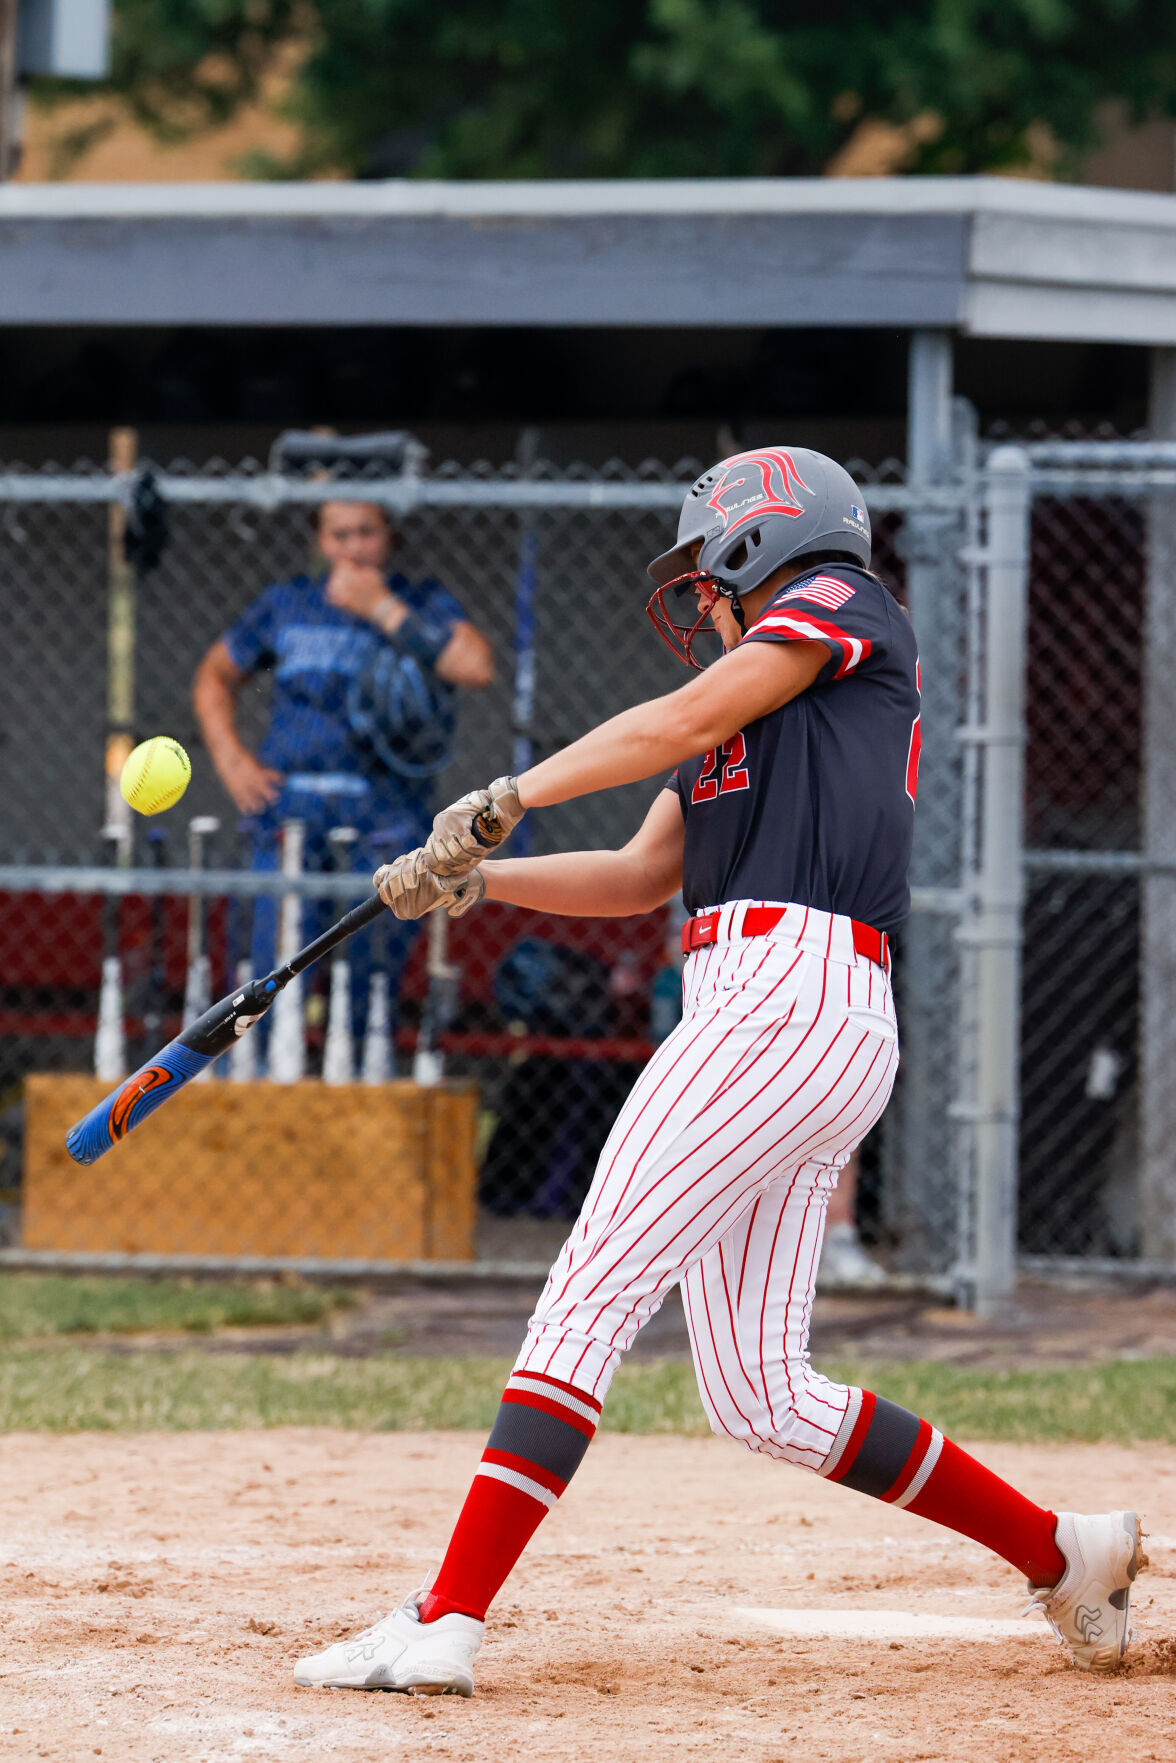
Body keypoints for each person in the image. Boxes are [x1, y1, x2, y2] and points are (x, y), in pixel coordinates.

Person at [294, 447, 1141, 1697]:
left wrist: (505, 795)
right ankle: (1066, 1552)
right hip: (795, 1013)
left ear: (766, 543)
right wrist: (476, 879)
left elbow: (670, 720)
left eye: (709, 572)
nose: (700, 599)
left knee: (587, 1293)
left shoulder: (844, 605)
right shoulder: (748, 708)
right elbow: (643, 874)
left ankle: (444, 1618)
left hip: (785, 1001)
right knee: (759, 1390)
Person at [193, 499, 494, 1044]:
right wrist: (232, 760)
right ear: (318, 541)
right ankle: (267, 1081)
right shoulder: (287, 602)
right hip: (291, 802)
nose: (353, 547)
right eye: (338, 535)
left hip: (383, 803)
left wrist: (381, 608)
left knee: (371, 969)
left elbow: (475, 666)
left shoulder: (417, 598)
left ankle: (359, 1072)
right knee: (273, 962)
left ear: (389, 537)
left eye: (366, 533)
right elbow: (214, 675)